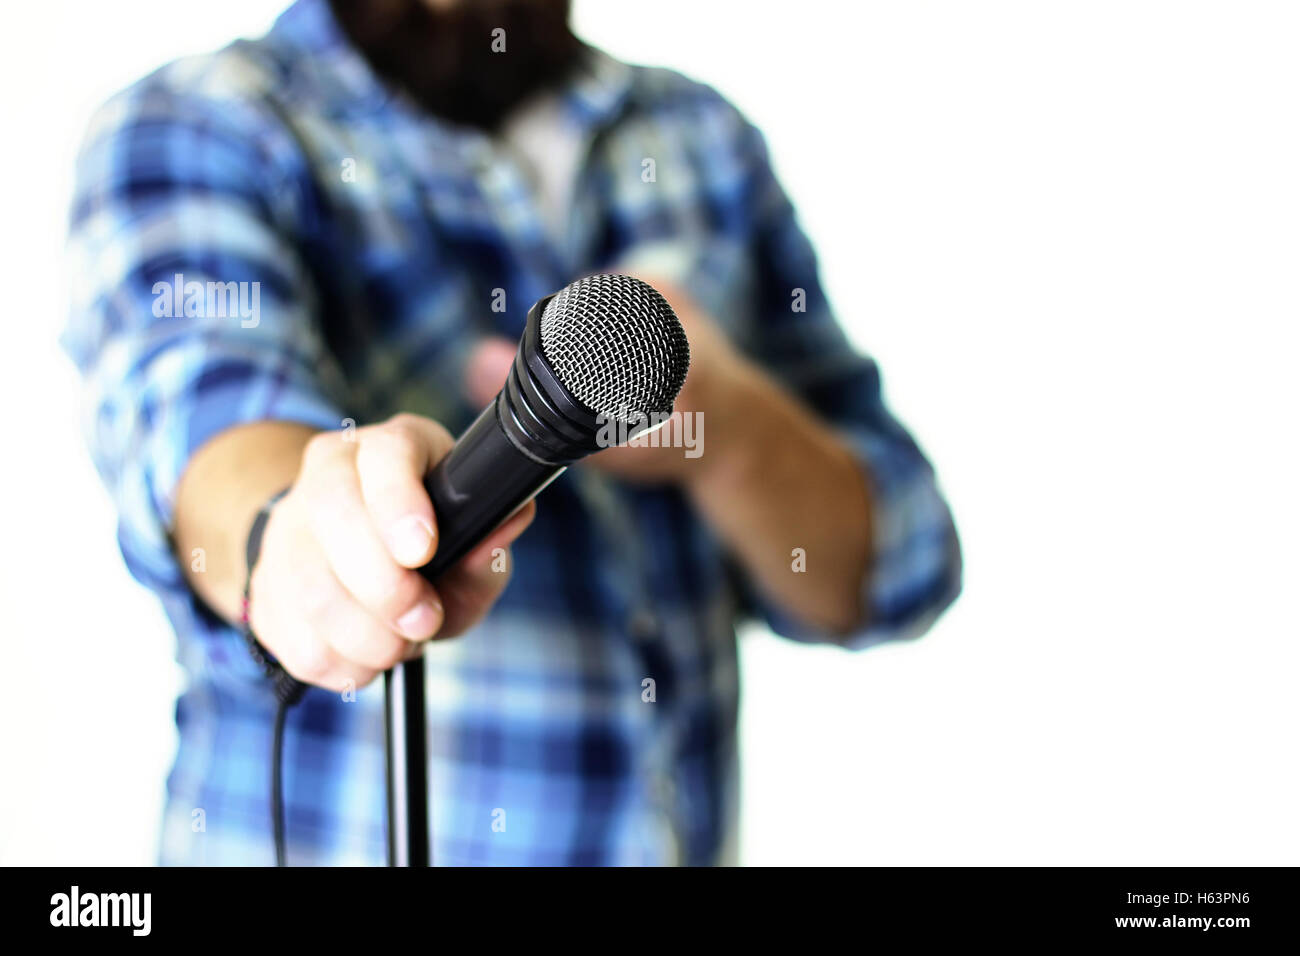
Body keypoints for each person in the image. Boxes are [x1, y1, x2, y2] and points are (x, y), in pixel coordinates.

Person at [64, 0, 962, 865]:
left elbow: (894, 566)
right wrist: (296, 530)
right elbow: (204, 426)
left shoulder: (706, 141)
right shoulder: (199, 125)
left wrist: (729, 432)